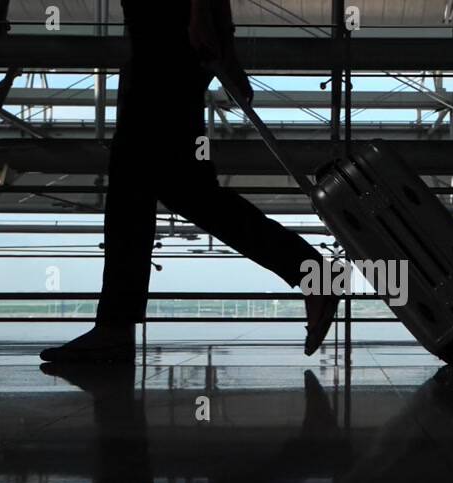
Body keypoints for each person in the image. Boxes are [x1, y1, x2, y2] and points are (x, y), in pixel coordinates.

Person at [41, 1, 339, 363]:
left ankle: (114, 328)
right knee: (179, 190)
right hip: (167, 46)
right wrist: (225, 51)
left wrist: (201, 19)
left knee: (139, 188)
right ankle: (310, 271)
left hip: (164, 47)